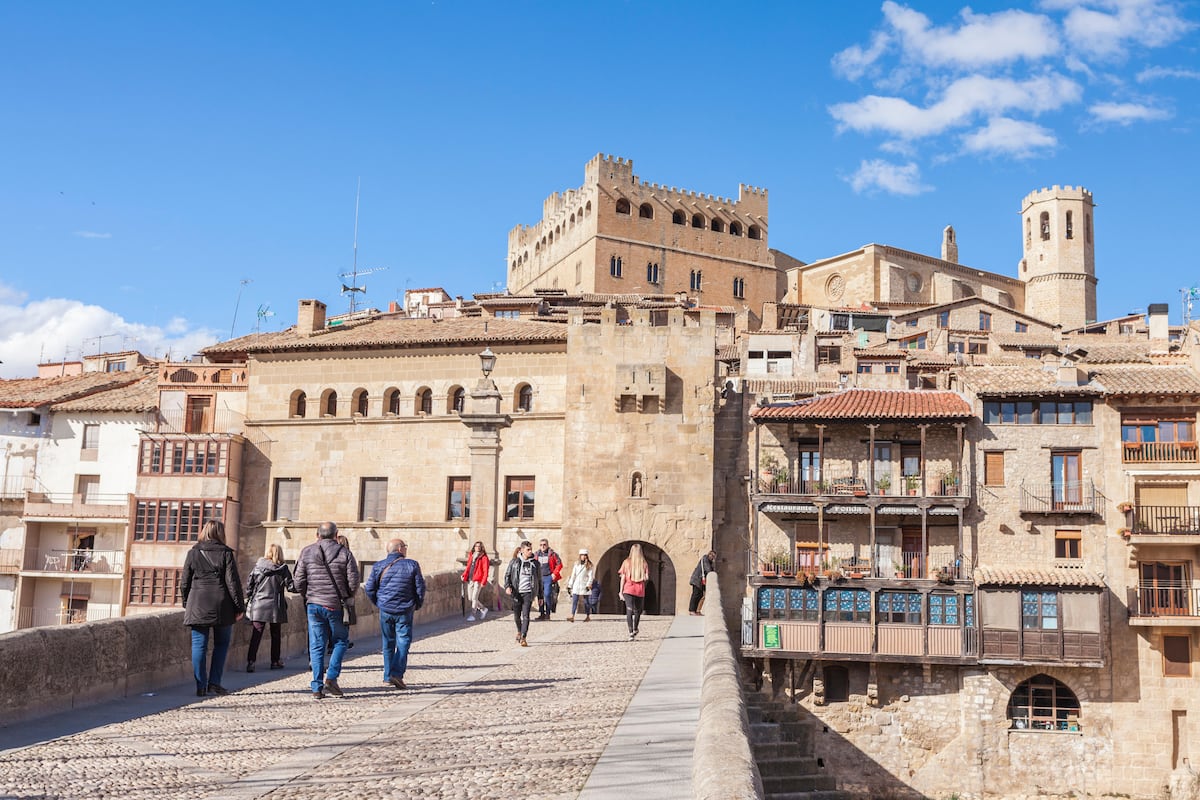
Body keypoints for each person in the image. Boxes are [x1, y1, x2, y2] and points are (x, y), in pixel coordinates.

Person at [294, 521, 360, 699]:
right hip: (335, 604)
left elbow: (298, 580)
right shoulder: (345, 553)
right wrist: (347, 595)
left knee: (316, 646)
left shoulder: (307, 552)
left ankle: (316, 686)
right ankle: (331, 677)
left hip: (314, 604)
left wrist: (309, 595)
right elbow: (354, 581)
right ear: (336, 535)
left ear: (318, 535)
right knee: (341, 641)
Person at [181, 520, 245, 697]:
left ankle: (200, 685)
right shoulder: (225, 553)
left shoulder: (193, 553)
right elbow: (233, 583)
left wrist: (187, 602)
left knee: (198, 645)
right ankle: (214, 683)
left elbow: (184, 581)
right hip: (221, 605)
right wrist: (239, 607)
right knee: (221, 644)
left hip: (198, 603)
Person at [364, 538, 425, 689]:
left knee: (388, 643)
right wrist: (417, 604)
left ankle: (387, 676)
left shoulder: (379, 565)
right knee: (403, 642)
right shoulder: (412, 564)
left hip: (385, 609)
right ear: (399, 549)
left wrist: (379, 602)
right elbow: (420, 588)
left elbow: (369, 588)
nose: (406, 549)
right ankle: (396, 674)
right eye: (405, 546)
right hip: (404, 609)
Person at [245, 542, 295, 672]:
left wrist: (250, 597)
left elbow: (249, 586)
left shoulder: (258, 567)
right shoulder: (283, 569)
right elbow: (291, 587)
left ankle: (251, 662)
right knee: (275, 634)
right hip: (275, 605)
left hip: (258, 604)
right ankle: (275, 661)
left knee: (256, 634)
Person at [503, 540, 541, 646]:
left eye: (531, 549)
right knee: (516, 616)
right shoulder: (514, 562)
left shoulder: (535, 564)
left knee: (526, 616)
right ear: (522, 550)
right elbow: (507, 575)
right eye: (528, 550)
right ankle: (519, 631)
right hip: (516, 592)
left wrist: (540, 596)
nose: (530, 552)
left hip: (528, 592)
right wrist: (507, 586)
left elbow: (539, 580)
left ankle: (524, 637)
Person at [619, 543, 648, 640]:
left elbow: (623, 577)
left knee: (629, 610)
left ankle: (631, 632)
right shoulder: (643, 563)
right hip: (639, 589)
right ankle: (635, 628)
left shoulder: (626, 562)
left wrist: (620, 591)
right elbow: (646, 577)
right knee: (637, 611)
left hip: (628, 589)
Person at [461, 541, 491, 621]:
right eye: (476, 546)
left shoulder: (484, 558)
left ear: (481, 548)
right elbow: (468, 567)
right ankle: (483, 609)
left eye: (479, 546)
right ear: (474, 547)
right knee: (470, 598)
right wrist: (464, 575)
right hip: (470, 579)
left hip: (478, 580)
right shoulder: (472, 555)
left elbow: (486, 571)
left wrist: (483, 581)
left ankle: (473, 615)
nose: (477, 547)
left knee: (474, 598)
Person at [533, 538, 562, 620]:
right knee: (540, 596)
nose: (543, 546)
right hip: (539, 578)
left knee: (547, 594)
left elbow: (559, 564)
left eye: (544, 545)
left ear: (547, 545)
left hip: (548, 577)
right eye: (541, 545)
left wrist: (554, 574)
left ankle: (548, 613)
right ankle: (542, 613)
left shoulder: (552, 554)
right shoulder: (536, 555)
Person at [565, 549, 595, 622]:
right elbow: (573, 575)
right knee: (575, 600)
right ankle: (572, 616)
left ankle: (588, 616)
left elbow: (591, 576)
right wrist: (570, 585)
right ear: (580, 556)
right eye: (582, 555)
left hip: (584, 585)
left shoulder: (589, 565)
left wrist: (588, 584)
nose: (583, 557)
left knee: (586, 602)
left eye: (585, 555)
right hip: (576, 585)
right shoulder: (576, 564)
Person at [688, 550, 717, 616]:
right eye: (712, 556)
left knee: (701, 595)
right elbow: (708, 569)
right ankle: (692, 610)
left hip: (701, 581)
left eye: (714, 557)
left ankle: (697, 610)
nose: (713, 558)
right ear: (709, 555)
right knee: (695, 594)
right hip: (697, 580)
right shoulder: (705, 558)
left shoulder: (709, 561)